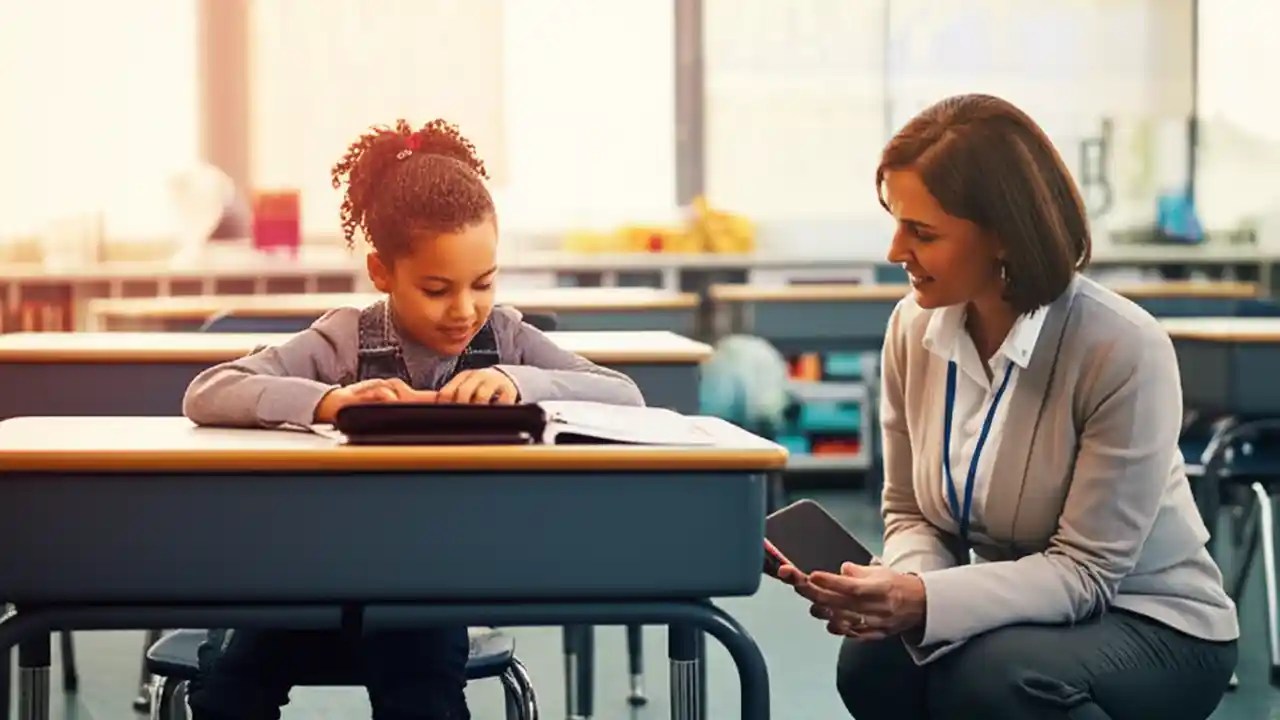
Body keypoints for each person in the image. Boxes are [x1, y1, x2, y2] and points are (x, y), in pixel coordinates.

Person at [776, 94, 1239, 720]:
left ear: (1002, 236)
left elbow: (1086, 574)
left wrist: (924, 601)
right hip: (1022, 611)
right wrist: (899, 593)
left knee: (997, 681)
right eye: (896, 222)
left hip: (1152, 621)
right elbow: (913, 513)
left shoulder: (1121, 346)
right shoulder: (912, 330)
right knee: (875, 662)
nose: (894, 251)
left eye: (922, 232)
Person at [182, 118, 643, 720]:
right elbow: (209, 391)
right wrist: (326, 401)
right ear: (381, 273)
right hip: (316, 576)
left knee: (422, 694)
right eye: (435, 289)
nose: (464, 310)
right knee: (228, 693)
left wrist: (518, 380)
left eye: (483, 283)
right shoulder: (345, 338)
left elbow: (626, 397)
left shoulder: (507, 337)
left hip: (431, 585)